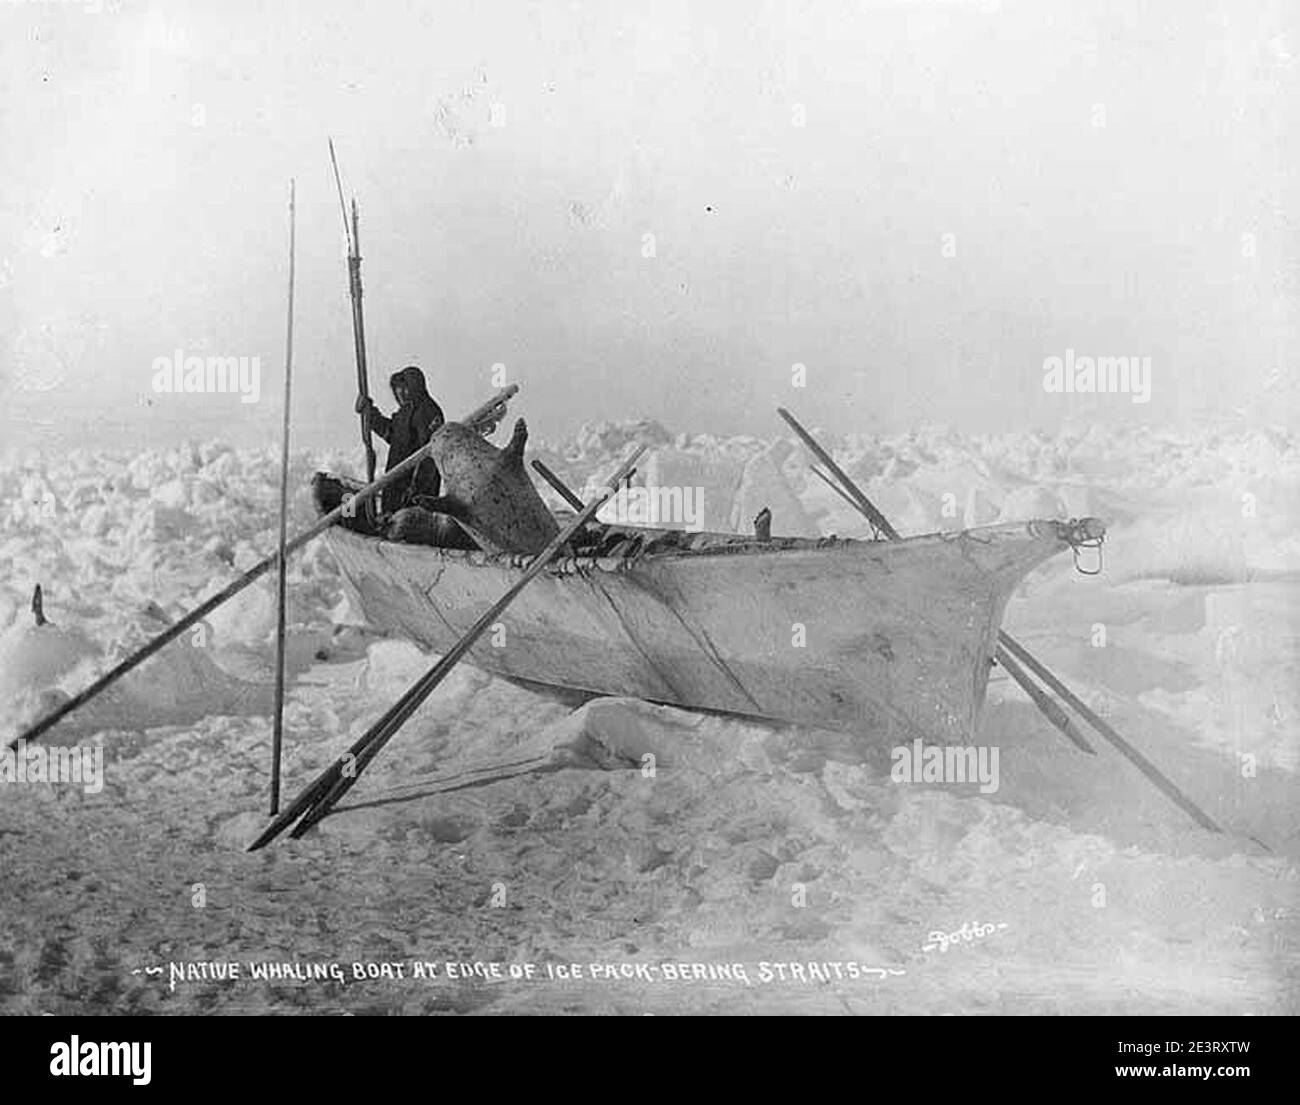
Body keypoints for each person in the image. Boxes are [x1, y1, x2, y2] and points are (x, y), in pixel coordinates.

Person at [357, 365, 445, 512]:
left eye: (405, 389)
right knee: (392, 521)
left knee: (408, 524)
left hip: (415, 493)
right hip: (397, 485)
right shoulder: (405, 413)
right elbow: (391, 433)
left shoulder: (428, 412)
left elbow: (429, 455)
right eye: (398, 390)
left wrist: (415, 490)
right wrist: (369, 414)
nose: (401, 394)